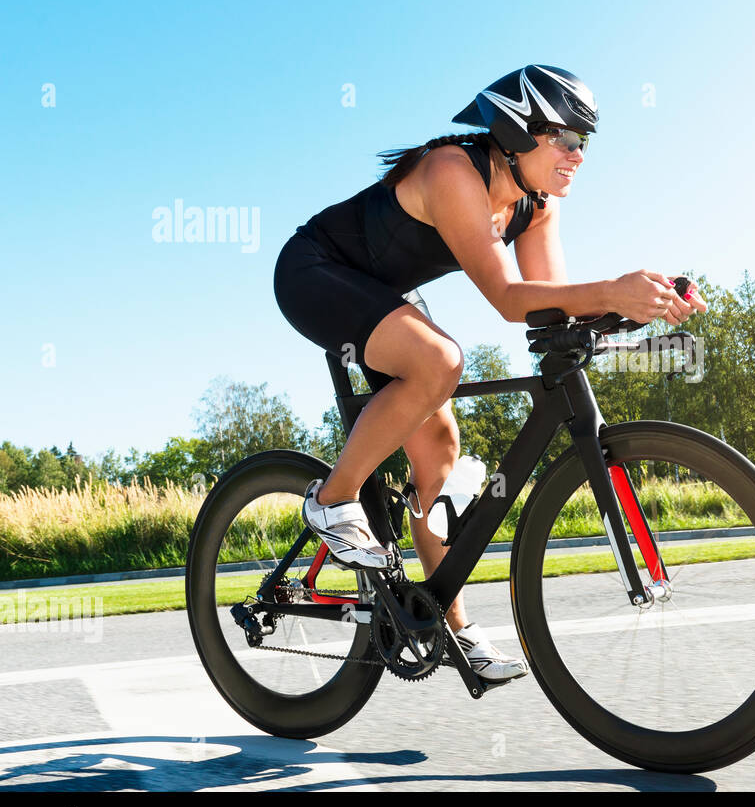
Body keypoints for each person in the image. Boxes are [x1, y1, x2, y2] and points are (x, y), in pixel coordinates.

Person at [272, 65, 707, 684]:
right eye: (567, 139)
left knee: (443, 452)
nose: (578, 156)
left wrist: (634, 306)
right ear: (518, 129)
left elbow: (548, 302)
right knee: (441, 361)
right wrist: (611, 289)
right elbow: (507, 297)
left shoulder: (538, 208)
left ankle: (448, 624)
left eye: (586, 143)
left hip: (382, 292)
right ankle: (333, 499)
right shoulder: (453, 170)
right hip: (313, 271)